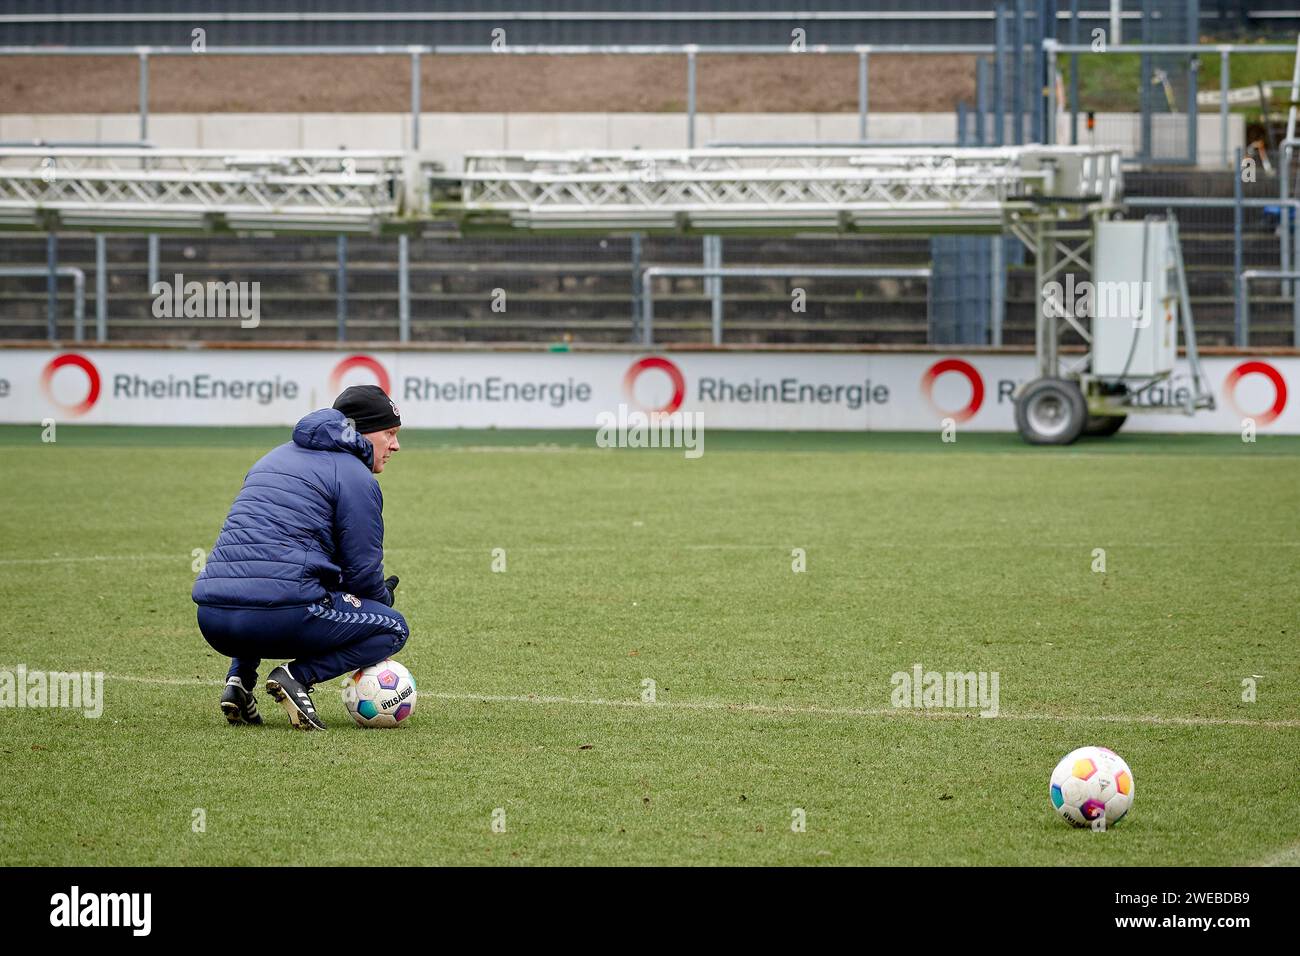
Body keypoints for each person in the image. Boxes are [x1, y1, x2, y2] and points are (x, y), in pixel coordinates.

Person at [192, 385, 406, 731]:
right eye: (390, 433)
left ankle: (239, 683)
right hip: (278, 616)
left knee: (263, 583)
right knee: (393, 626)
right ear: (361, 432)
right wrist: (381, 601)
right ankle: (296, 677)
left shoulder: (271, 458)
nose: (395, 445)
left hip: (213, 619)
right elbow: (362, 571)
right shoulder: (354, 476)